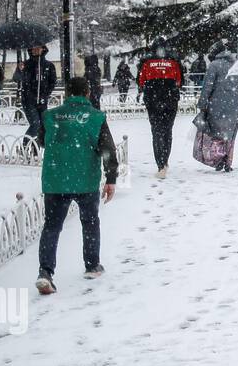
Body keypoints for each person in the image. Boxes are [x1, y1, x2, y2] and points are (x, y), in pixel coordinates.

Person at [35, 76, 118, 294]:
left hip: (55, 178)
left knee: (52, 225)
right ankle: (92, 265)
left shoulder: (51, 116)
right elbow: (107, 148)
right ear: (88, 93)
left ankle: (45, 272)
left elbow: (42, 141)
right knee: (90, 221)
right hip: (85, 179)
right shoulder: (95, 117)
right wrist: (111, 178)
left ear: (67, 94)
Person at [138, 38, 184, 178]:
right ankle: (165, 161)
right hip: (170, 101)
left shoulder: (146, 63)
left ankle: (160, 164)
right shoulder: (174, 62)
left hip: (153, 102)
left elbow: (140, 82)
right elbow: (180, 82)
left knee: (156, 132)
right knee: (167, 131)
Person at [195, 41, 238, 172]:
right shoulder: (235, 64)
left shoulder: (214, 65)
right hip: (235, 104)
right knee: (229, 134)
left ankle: (218, 159)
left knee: (216, 133)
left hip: (217, 104)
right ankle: (228, 161)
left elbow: (207, 87)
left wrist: (202, 104)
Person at [18, 44, 57, 148]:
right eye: (33, 48)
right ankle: (25, 147)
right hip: (28, 101)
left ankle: (35, 149)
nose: (36, 50)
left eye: (38, 47)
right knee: (35, 124)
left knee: (43, 126)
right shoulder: (25, 64)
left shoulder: (49, 65)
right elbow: (17, 78)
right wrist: (20, 70)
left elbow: (53, 82)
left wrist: (45, 94)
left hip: (42, 102)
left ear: (43, 49)